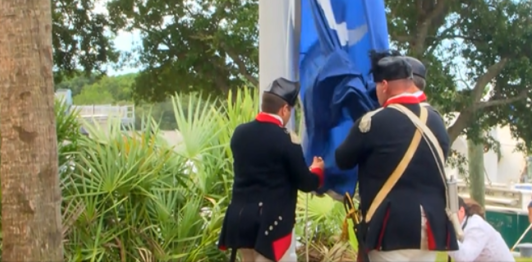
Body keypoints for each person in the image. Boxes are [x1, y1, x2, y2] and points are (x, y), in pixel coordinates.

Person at [335, 51, 458, 261]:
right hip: (429, 228)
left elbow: (342, 159)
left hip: (390, 227)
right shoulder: (436, 120)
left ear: (384, 85)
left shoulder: (372, 122)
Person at [218, 77, 325, 262]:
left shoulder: (240, 133)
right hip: (269, 225)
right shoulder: (286, 140)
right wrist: (317, 170)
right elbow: (306, 183)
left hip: (241, 220)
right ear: (284, 109)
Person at [447, 197, 514, 262]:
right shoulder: (465, 226)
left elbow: (464, 257)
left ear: (461, 211)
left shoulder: (476, 227)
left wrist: (446, 235)